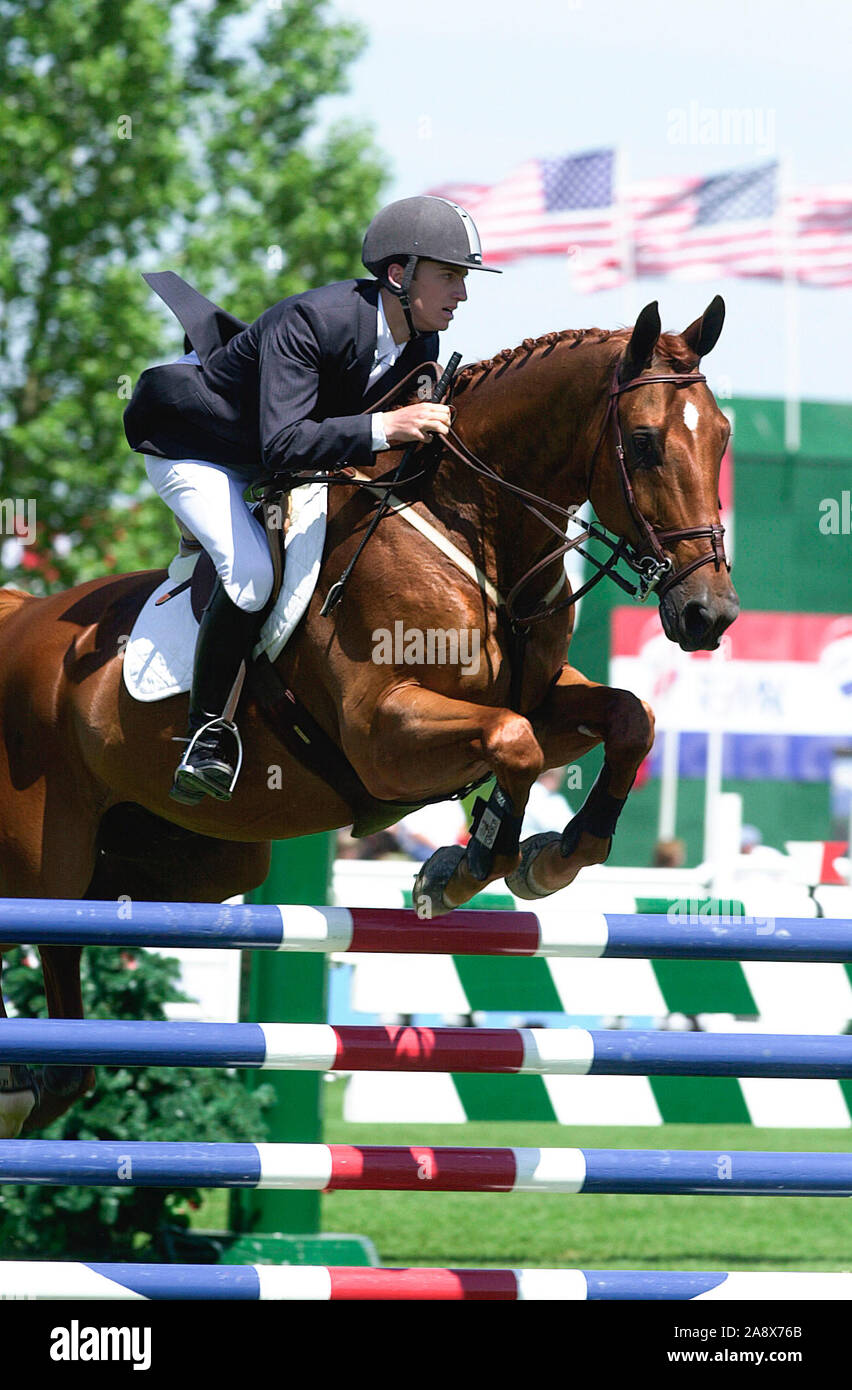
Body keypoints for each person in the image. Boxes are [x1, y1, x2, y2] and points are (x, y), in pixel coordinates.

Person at [123, 197, 501, 805]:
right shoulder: (315, 320)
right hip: (197, 450)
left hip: (278, 455)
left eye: (463, 279)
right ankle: (207, 735)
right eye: (450, 275)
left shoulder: (420, 344)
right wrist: (388, 426)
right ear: (400, 275)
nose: (462, 294)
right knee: (250, 577)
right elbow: (284, 444)